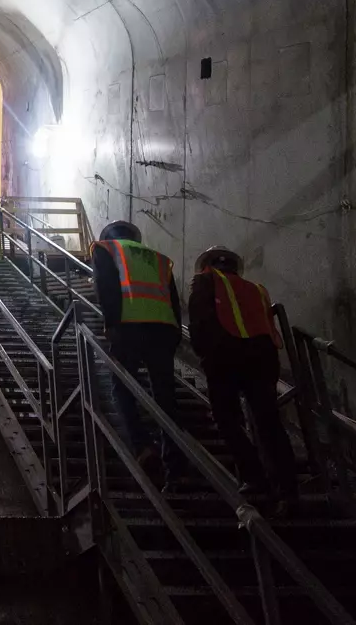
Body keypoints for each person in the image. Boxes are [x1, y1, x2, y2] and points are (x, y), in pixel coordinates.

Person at [187, 246, 298, 516]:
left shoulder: (205, 281)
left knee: (226, 419)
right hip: (263, 360)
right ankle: (287, 490)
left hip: (225, 358)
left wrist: (204, 355)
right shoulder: (257, 289)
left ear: (208, 265)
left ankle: (254, 475)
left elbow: (198, 323)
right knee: (269, 423)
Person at [89, 220, 185, 489]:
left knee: (121, 388)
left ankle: (143, 446)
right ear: (135, 236)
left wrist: (110, 324)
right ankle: (176, 466)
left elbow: (106, 288)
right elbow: (173, 301)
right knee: (166, 398)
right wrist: (174, 334)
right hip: (163, 332)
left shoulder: (106, 249)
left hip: (128, 329)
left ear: (109, 235)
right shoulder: (159, 259)